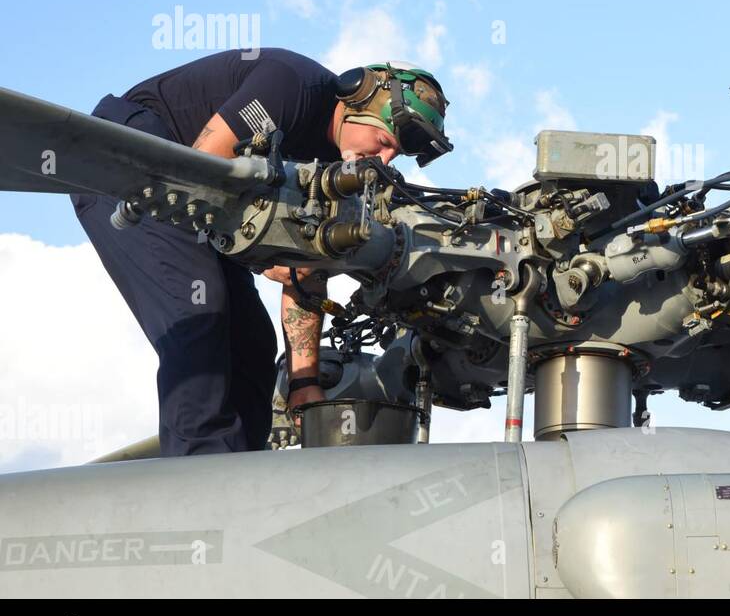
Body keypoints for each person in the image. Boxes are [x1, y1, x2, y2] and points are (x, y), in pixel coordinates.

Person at [70, 49, 451, 456]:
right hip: (132, 164)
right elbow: (201, 168)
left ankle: (244, 471)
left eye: (397, 154)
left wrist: (304, 383)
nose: (386, 159)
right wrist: (268, 256)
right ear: (354, 102)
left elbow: (304, 272)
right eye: (384, 142)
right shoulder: (291, 86)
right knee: (202, 309)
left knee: (253, 341)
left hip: (203, 213)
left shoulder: (336, 166)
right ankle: (200, 472)